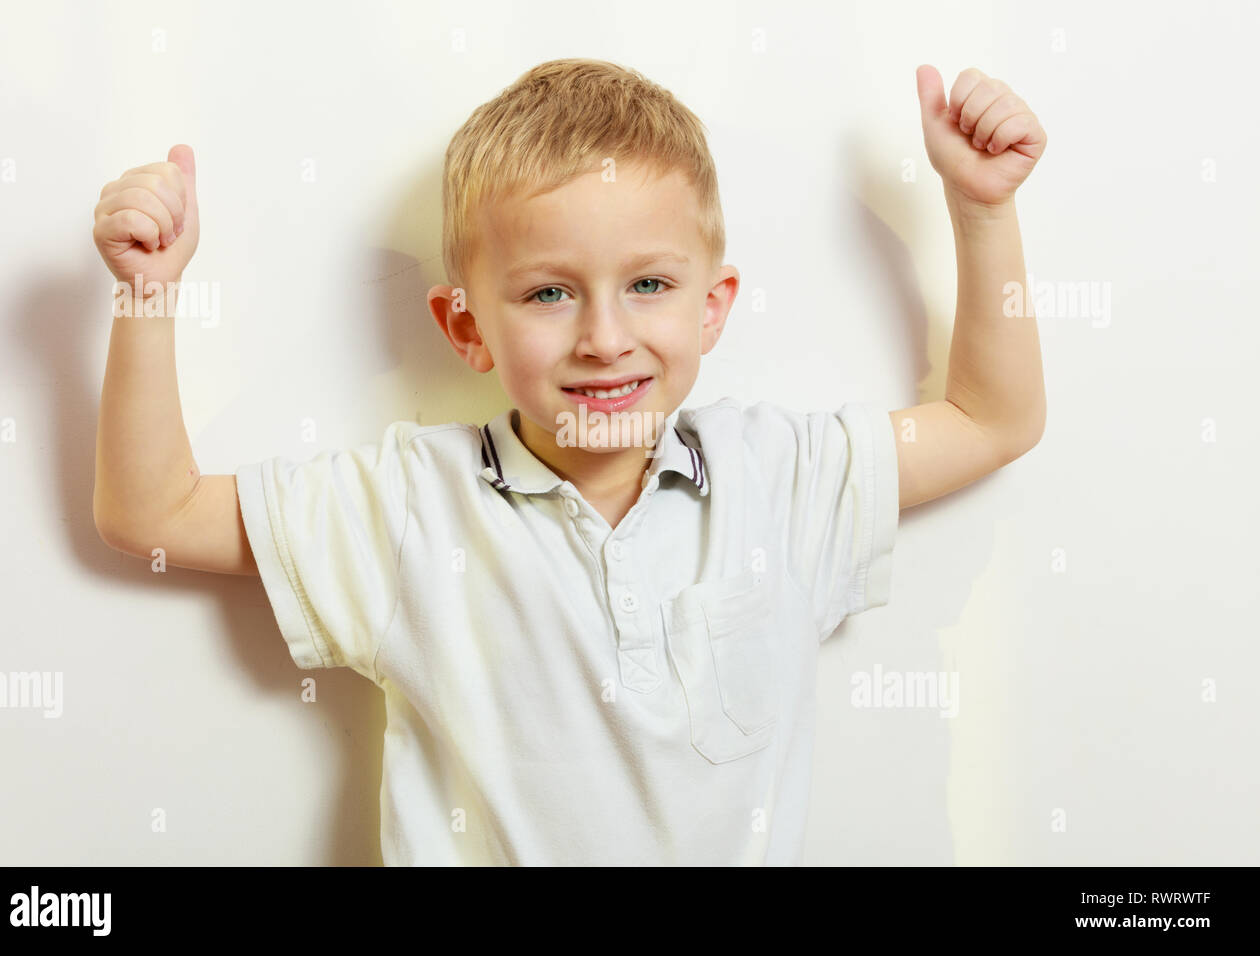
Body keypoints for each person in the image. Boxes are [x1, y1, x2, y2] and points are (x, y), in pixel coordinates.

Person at [91, 58, 1046, 865]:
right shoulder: (413, 508)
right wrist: (148, 297)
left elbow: (990, 418)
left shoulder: (781, 476)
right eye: (549, 292)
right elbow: (154, 514)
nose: (604, 337)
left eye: (648, 285)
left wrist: (982, 211)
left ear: (711, 307)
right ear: (466, 328)